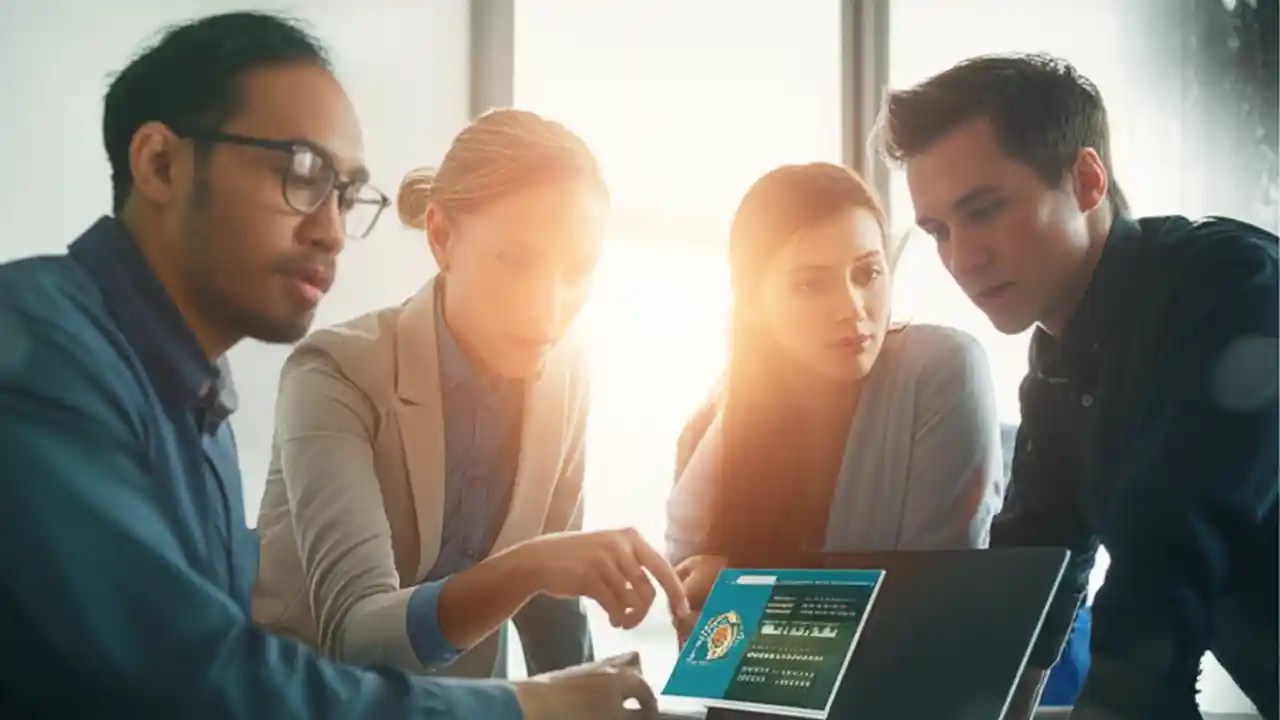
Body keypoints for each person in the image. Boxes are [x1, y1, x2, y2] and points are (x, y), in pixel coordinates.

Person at [0, 12, 659, 719]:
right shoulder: (41, 349)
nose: (333, 231)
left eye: (345, 193)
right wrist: (527, 706)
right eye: (301, 174)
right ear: (160, 163)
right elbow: (195, 675)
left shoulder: (199, 403)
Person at [875, 52, 1278, 720]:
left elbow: (1171, 547)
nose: (961, 258)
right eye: (939, 230)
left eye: (985, 209)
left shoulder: (1231, 289)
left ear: (1088, 180)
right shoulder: (1059, 363)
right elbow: (1035, 571)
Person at [253, 107, 691, 679]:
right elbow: (354, 637)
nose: (547, 310)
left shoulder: (567, 371)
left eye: (577, 269)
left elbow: (551, 607)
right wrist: (528, 567)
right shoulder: (334, 371)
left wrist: (598, 693)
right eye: (515, 262)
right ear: (441, 237)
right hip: (296, 697)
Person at [666, 163, 1005, 641]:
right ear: (755, 300)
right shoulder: (715, 428)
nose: (852, 308)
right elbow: (704, 645)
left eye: (868, 273)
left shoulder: (941, 368)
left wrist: (739, 583)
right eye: (810, 284)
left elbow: (931, 601)